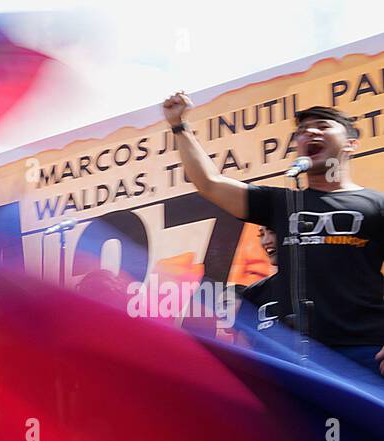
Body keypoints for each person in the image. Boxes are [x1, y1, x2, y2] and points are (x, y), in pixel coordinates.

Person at [162, 93, 384, 373]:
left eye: (323, 126)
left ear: (351, 144)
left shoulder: (377, 204)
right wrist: (179, 126)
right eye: (302, 131)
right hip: (301, 359)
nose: (310, 132)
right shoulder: (281, 202)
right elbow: (210, 183)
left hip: (367, 351)